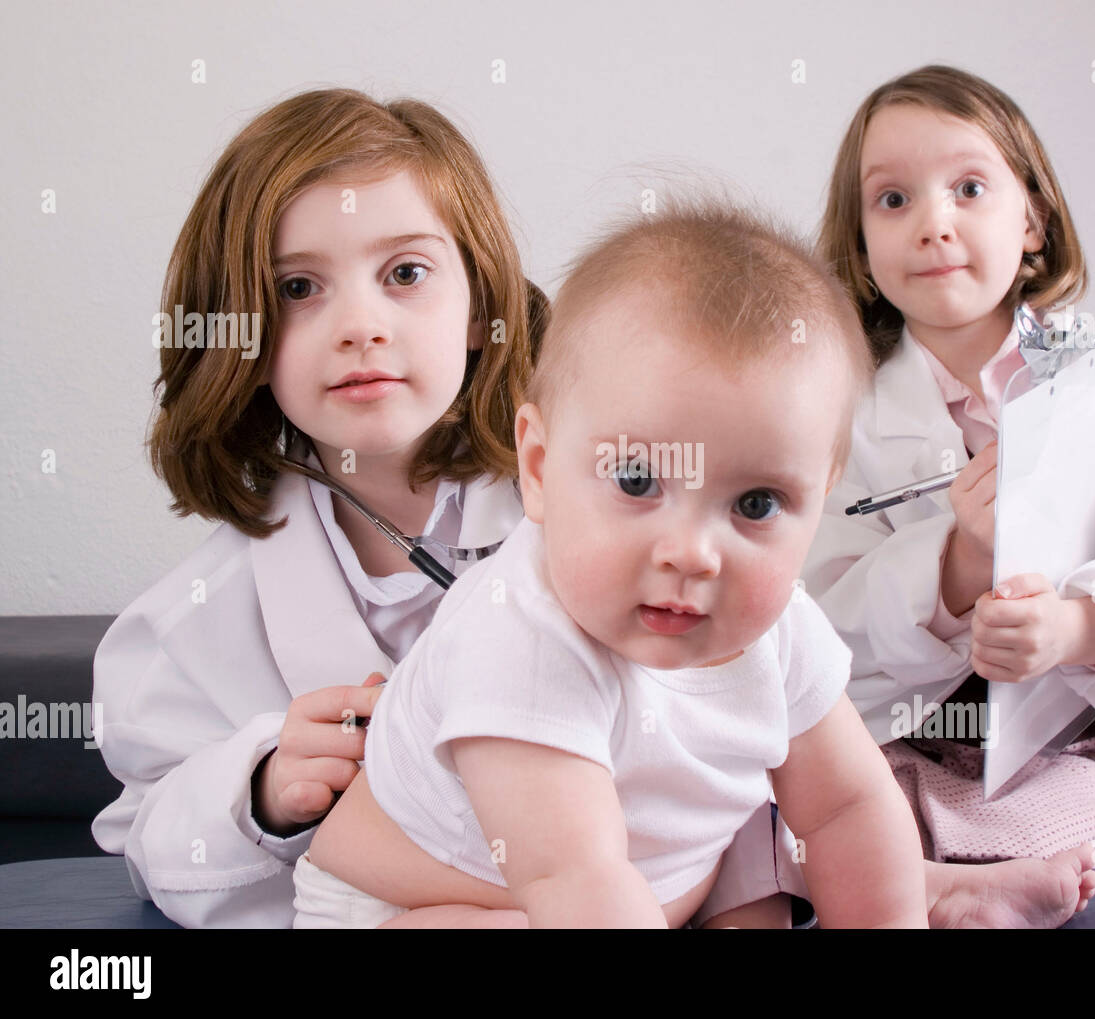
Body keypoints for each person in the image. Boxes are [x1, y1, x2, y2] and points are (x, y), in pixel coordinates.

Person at [292, 201, 939, 928]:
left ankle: (938, 893)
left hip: (653, 889)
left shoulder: (781, 625)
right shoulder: (520, 637)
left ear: (820, 496)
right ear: (537, 468)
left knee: (773, 844)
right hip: (426, 904)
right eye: (638, 481)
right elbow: (579, 880)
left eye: (755, 504)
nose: (693, 553)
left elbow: (848, 805)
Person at [91, 88, 542, 928]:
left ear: (481, 307)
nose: (359, 325)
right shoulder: (196, 619)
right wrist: (261, 789)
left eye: (405, 274)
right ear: (244, 339)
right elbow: (148, 839)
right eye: (299, 288)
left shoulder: (589, 524)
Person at [803, 64, 1095, 894]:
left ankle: (1008, 894)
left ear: (1034, 220)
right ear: (861, 244)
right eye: (893, 201)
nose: (934, 224)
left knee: (1086, 839)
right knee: (856, 836)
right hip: (897, 745)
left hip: (1066, 750)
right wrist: (958, 567)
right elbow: (814, 605)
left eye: (969, 188)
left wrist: (1077, 627)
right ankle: (963, 897)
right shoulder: (835, 407)